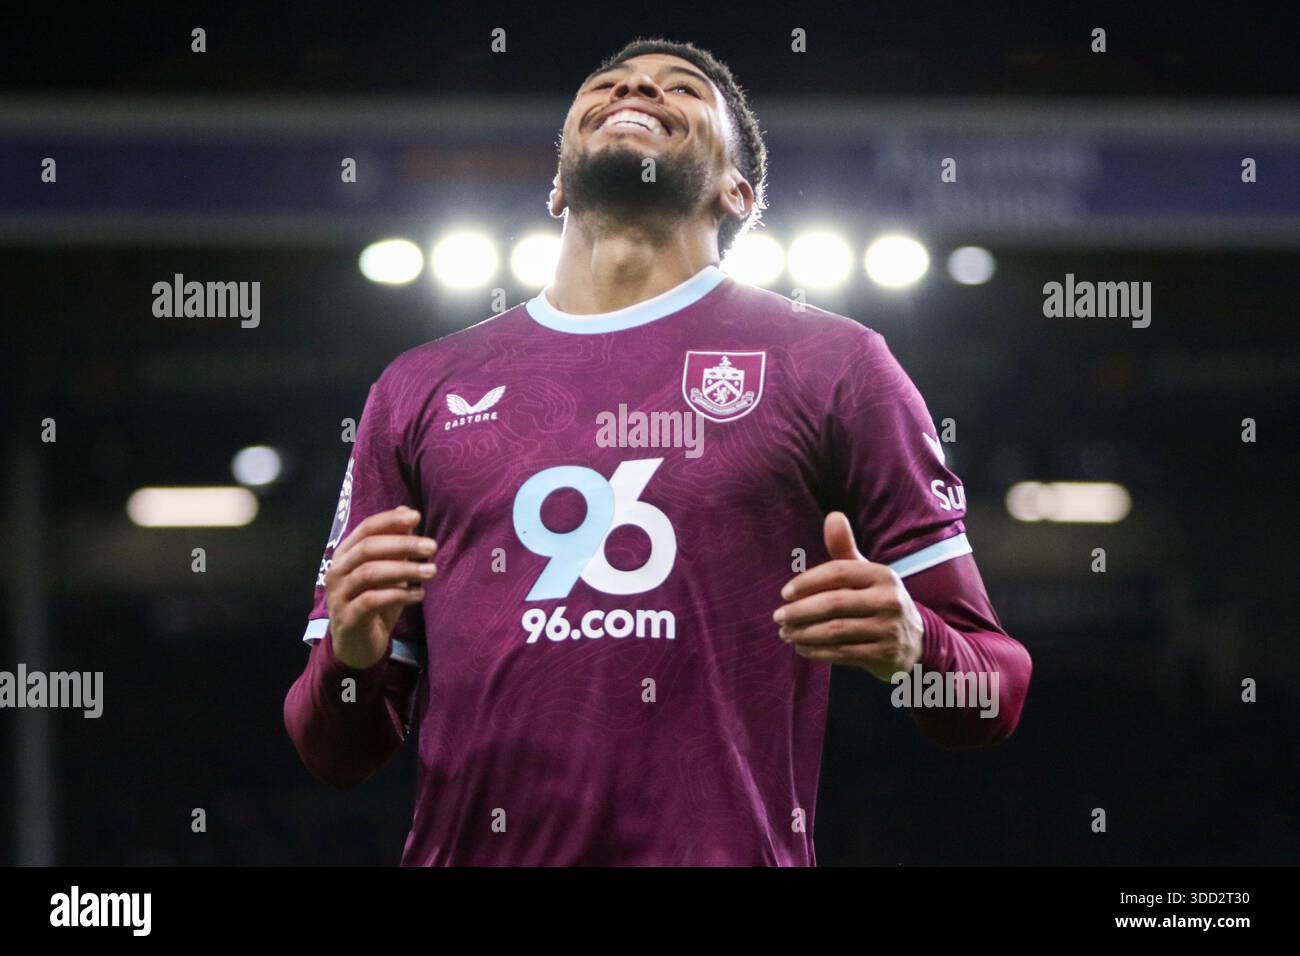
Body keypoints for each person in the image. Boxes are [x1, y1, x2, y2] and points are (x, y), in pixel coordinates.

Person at [284, 37, 1031, 865]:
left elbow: (988, 698)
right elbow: (335, 751)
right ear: (558, 183)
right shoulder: (417, 387)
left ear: (737, 193)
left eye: (682, 88)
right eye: (605, 83)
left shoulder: (833, 366)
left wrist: (916, 645)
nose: (636, 85)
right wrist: (351, 657)